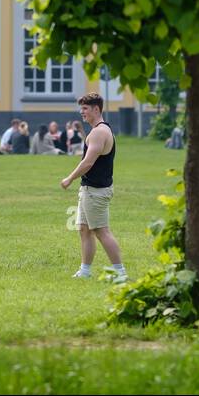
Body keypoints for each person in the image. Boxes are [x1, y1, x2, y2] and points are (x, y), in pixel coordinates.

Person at [60, 93, 126, 283]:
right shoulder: (100, 130)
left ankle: (121, 273)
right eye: (81, 109)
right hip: (90, 189)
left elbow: (88, 162)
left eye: (85, 109)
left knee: (101, 231)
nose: (82, 112)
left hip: (96, 191)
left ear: (96, 109)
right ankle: (85, 271)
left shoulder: (99, 132)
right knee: (84, 229)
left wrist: (69, 179)